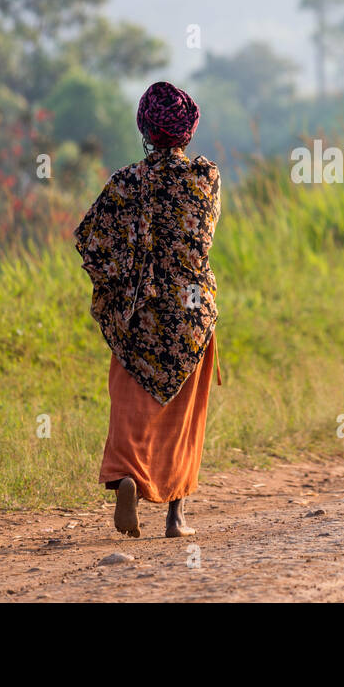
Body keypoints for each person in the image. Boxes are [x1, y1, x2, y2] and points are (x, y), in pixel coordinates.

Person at [74, 81, 222, 538]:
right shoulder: (205, 178)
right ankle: (176, 516)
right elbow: (200, 241)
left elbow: (89, 242)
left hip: (137, 317)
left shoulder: (124, 183)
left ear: (144, 128)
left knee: (131, 407)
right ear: (188, 132)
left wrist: (122, 284)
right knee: (183, 414)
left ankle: (126, 477)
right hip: (190, 315)